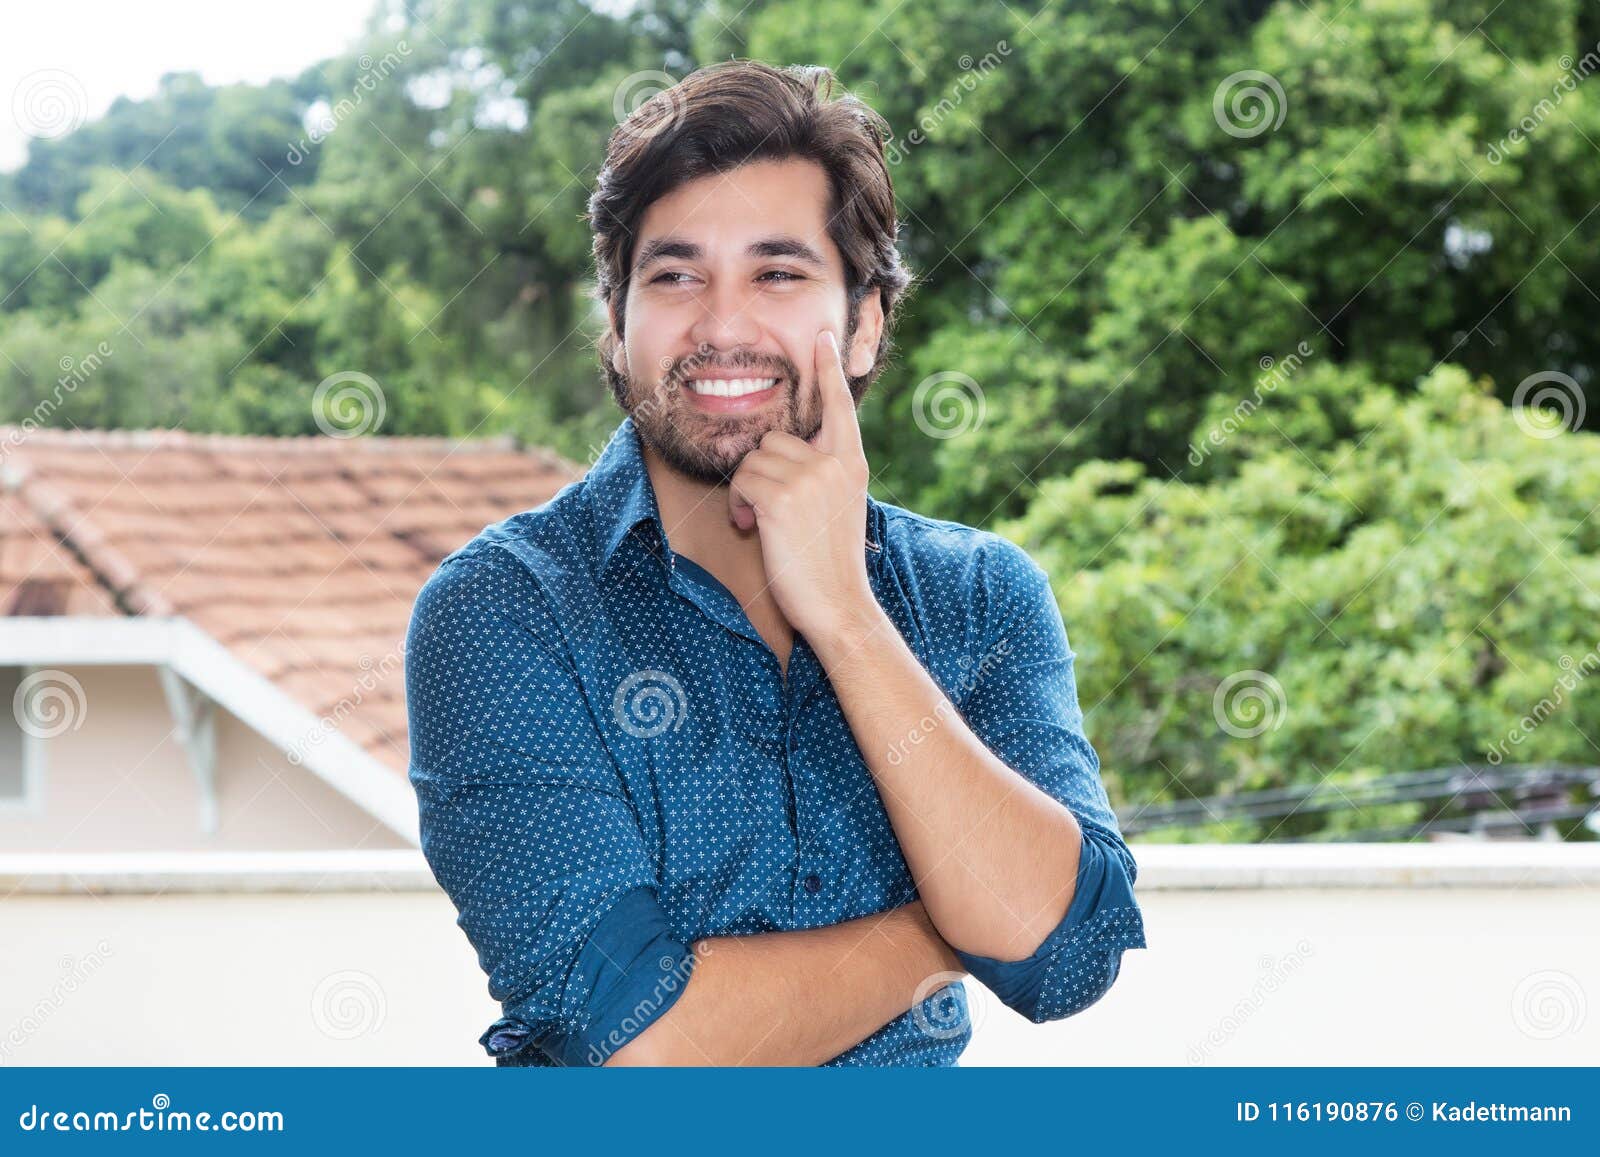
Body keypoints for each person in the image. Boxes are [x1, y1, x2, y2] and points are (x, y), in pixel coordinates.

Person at [404, 60, 1146, 1067]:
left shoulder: (980, 594)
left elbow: (1065, 957)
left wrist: (844, 613)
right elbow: (641, 1048)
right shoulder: (502, 610)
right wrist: (952, 924)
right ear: (616, 326)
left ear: (866, 322)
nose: (721, 325)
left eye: (778, 273)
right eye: (674, 276)